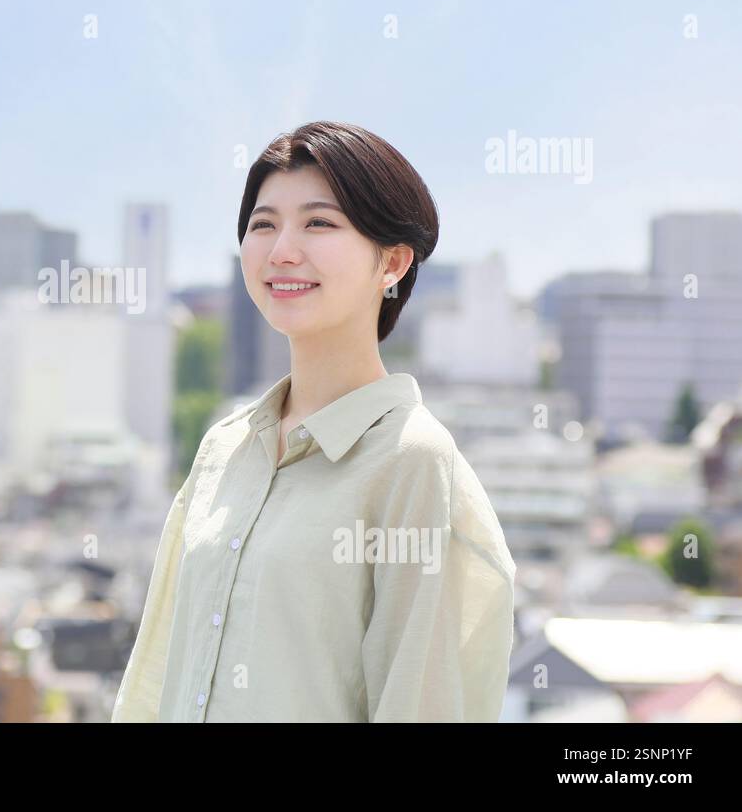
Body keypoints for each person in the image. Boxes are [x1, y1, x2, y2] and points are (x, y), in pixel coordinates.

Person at [111, 121, 516, 722]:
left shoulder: (412, 462)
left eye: (319, 223)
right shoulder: (226, 445)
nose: (281, 250)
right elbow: (154, 677)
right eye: (263, 224)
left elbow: (420, 702)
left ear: (393, 262)